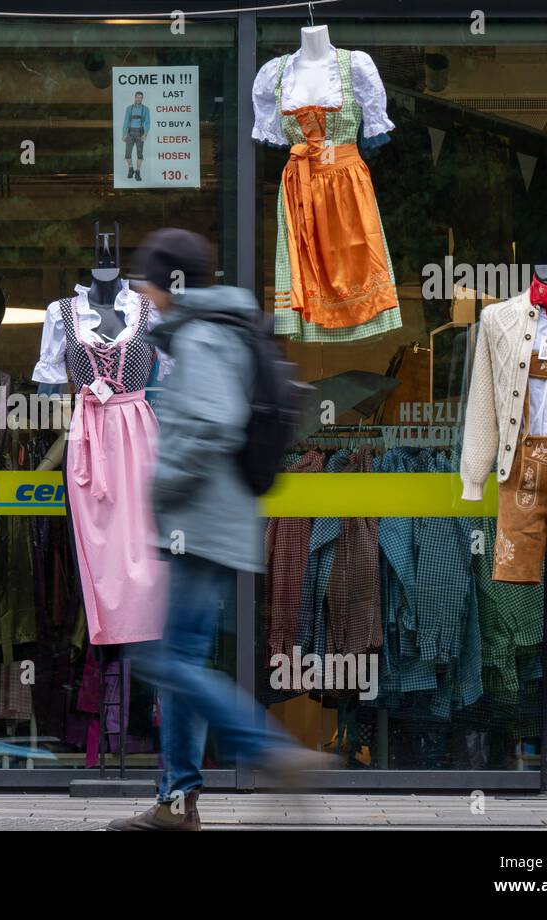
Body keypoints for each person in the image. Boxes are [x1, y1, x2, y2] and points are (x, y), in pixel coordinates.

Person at [109, 229, 330, 832]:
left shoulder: (205, 336)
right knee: (183, 661)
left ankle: (272, 750)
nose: (145, 294)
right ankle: (176, 802)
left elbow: (214, 422)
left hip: (201, 524)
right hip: (214, 524)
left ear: (169, 281)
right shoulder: (219, 331)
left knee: (161, 659)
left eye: (150, 281)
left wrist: (162, 486)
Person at [121, 91, 150, 181]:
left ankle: (137, 171)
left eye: (140, 97)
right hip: (130, 133)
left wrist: (145, 134)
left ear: (142, 98)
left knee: (140, 154)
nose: (138, 99)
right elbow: (126, 121)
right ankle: (130, 168)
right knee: (127, 153)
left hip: (140, 133)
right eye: (137, 97)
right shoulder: (129, 108)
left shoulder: (145, 109)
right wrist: (124, 134)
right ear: (135, 97)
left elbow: (147, 122)